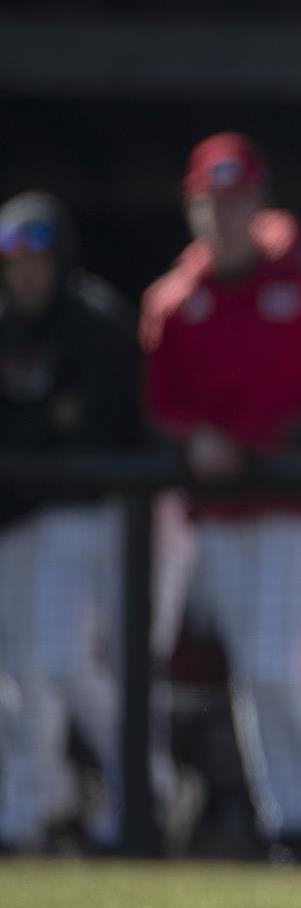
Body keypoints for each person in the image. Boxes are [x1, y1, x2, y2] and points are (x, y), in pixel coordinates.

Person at [142, 133, 301, 860]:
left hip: (299, 505)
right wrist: (195, 438)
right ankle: (287, 828)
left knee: (279, 665)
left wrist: (286, 442)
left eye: (236, 202)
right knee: (250, 673)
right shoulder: (174, 301)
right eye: (211, 203)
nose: (224, 217)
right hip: (221, 511)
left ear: (259, 203)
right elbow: (157, 404)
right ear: (192, 207)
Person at [0, 192, 145, 851]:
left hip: (88, 517)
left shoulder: (95, 322)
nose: (27, 274)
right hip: (14, 519)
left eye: (38, 260)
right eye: (15, 262)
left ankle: (146, 784)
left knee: (65, 663)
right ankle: (35, 805)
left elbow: (86, 426)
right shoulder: (5, 323)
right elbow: (41, 424)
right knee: (16, 674)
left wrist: (37, 433)